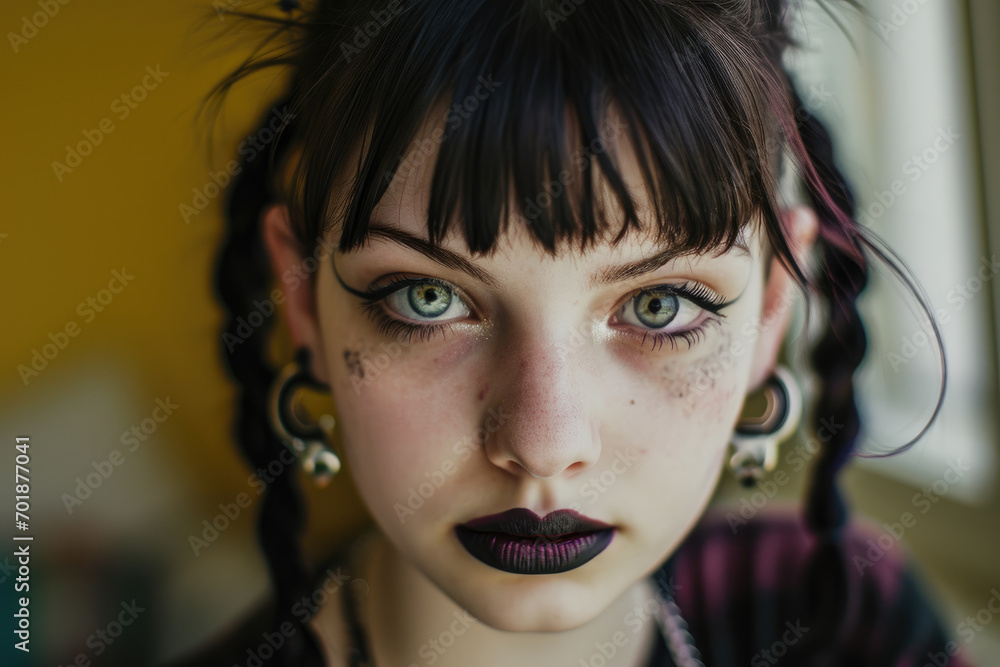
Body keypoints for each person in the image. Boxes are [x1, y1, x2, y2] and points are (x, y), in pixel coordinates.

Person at [167, 0, 967, 665]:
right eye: (426, 298)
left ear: (769, 310)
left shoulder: (847, 621)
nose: (544, 446)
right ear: (302, 299)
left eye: (661, 305)